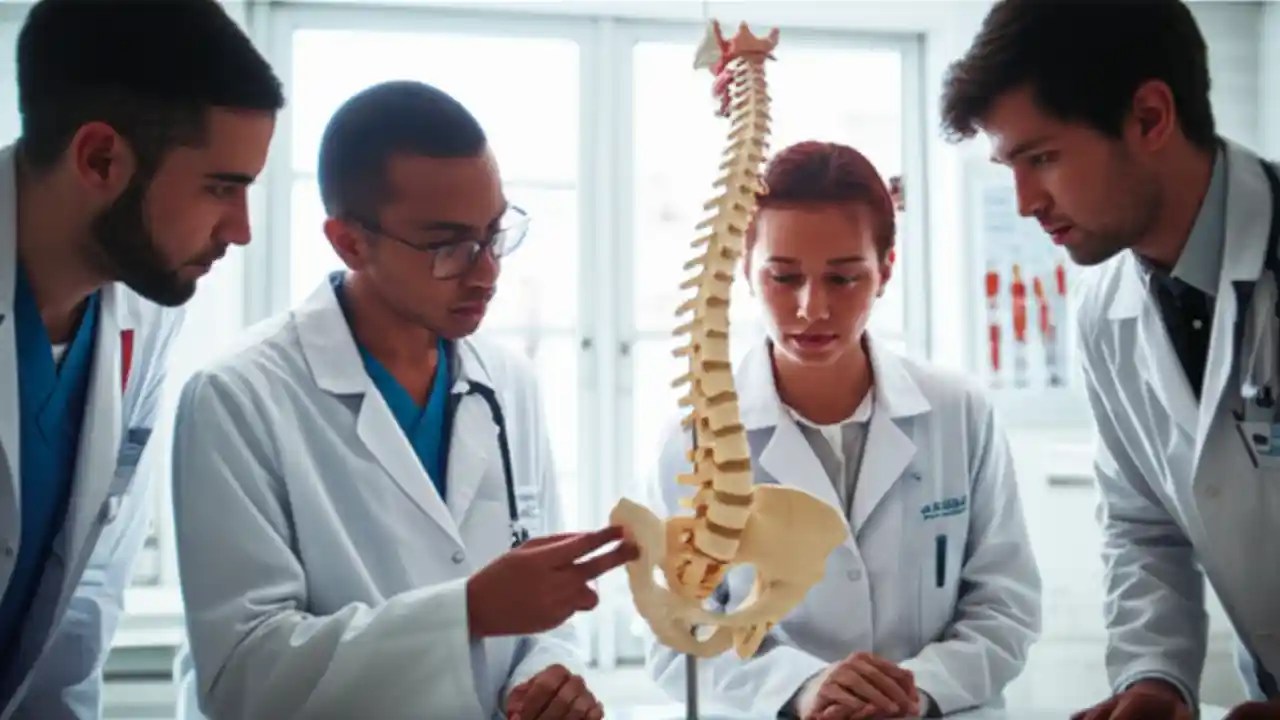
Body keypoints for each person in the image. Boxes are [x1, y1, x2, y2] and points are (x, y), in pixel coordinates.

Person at [170, 80, 634, 720]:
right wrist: (469, 611)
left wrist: (546, 677)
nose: (487, 271)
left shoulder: (507, 383)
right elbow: (244, 676)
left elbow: (542, 618)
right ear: (350, 241)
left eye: (494, 232)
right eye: (448, 246)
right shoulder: (238, 399)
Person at [941, 1, 1280, 719]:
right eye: (1010, 166)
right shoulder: (1105, 307)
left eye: (1043, 158)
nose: (1027, 202)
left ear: (1151, 117)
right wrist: (1155, 680)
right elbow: (1142, 521)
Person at [642, 140, 1042, 719]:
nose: (811, 309)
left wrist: (913, 691)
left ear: (885, 270)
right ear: (747, 272)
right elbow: (674, 628)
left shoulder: (958, 412)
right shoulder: (697, 436)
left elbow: (1007, 603)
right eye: (783, 277)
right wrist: (803, 689)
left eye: (843, 279)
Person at [0, 0, 282, 716]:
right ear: (100, 158)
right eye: (222, 187)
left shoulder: (143, 313)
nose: (241, 231)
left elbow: (83, 592)